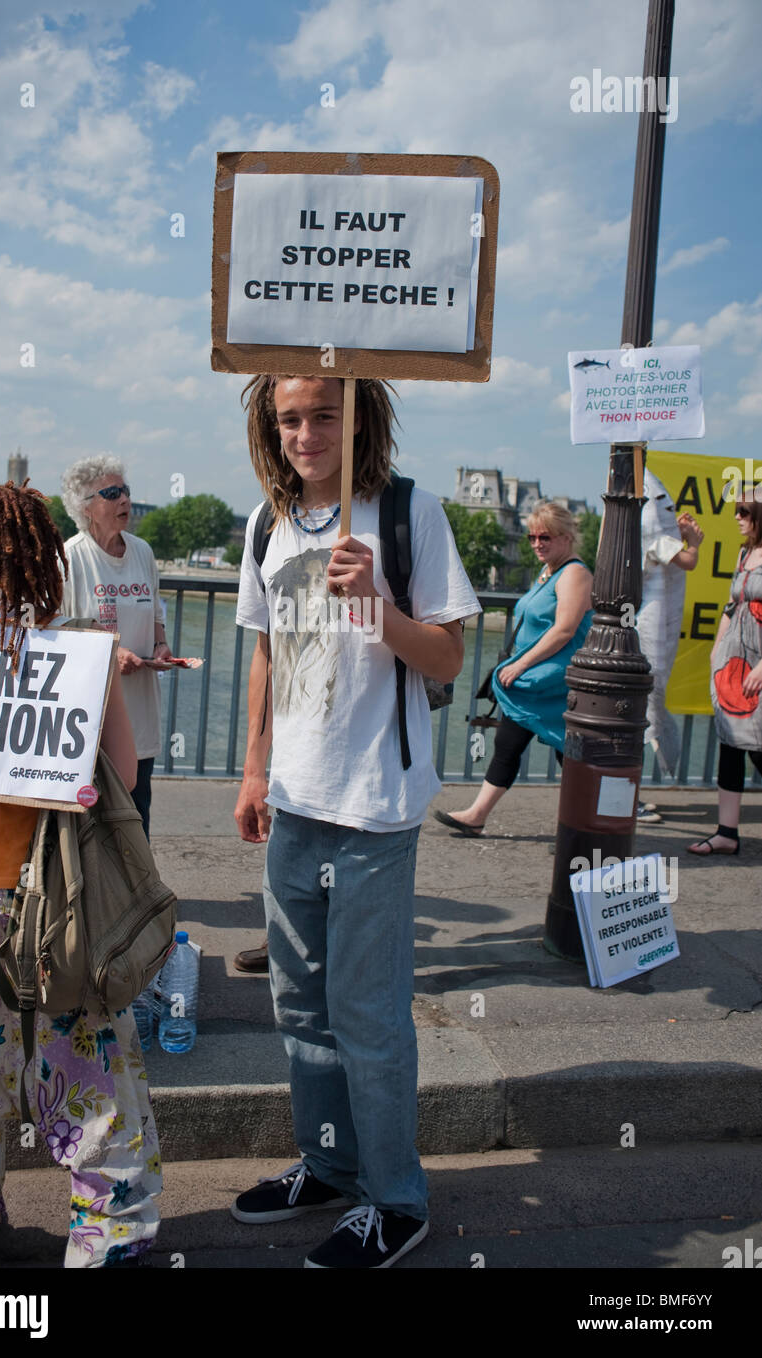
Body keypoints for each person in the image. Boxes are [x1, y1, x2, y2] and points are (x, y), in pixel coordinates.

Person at [230, 374, 480, 1268]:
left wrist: (378, 608)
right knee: (298, 1004)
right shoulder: (265, 522)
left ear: (359, 414)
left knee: (365, 1014)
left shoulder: (408, 513)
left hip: (374, 807)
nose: (304, 433)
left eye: (321, 414)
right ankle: (329, 1166)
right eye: (288, 418)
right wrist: (254, 769)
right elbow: (264, 653)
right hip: (294, 801)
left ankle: (395, 1199)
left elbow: (449, 652)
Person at [0, 482, 162, 1268]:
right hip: (57, 902)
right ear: (49, 556)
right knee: (86, 1066)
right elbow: (121, 771)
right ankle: (110, 1222)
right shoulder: (80, 649)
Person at [434, 501, 593, 836]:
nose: (536, 543)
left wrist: (520, 663)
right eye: (533, 537)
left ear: (566, 537)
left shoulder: (575, 573)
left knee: (572, 757)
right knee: (509, 745)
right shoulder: (548, 571)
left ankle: (585, 827)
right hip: (534, 682)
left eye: (545, 537)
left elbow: (564, 629)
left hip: (554, 683)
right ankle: (477, 814)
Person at [60, 457, 171, 837]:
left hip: (140, 709)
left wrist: (160, 646)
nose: (124, 499)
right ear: (85, 507)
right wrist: (110, 654)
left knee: (137, 813)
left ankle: (138, 895)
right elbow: (58, 631)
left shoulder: (142, 551)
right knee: (90, 820)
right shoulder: (70, 558)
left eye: (126, 491)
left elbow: (155, 606)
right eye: (112, 493)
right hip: (92, 717)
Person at [688, 484, 762, 856]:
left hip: (759, 665)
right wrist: (718, 650)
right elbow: (733, 607)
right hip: (734, 663)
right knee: (731, 743)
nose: (737, 517)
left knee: (758, 746)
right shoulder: (745, 553)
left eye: (744, 511)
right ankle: (726, 833)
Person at [635, 470, 703, 823]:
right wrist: (692, 541)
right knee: (647, 704)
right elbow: (688, 561)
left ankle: (626, 790)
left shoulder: (636, 532)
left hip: (632, 623)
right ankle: (631, 788)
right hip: (650, 629)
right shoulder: (657, 536)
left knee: (638, 707)